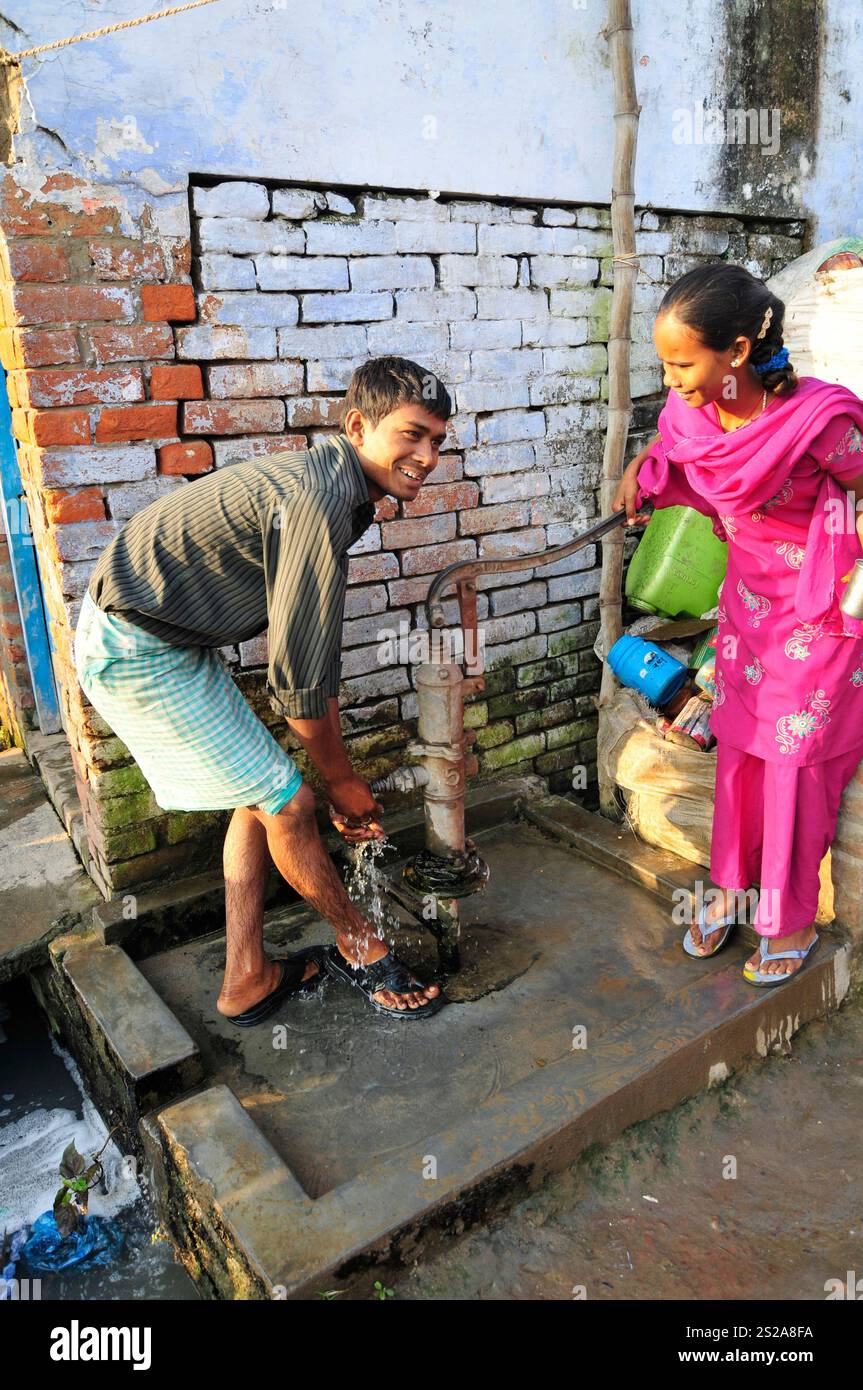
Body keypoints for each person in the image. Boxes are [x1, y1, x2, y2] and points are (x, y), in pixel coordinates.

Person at [74, 356, 449, 1023]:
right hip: (138, 648)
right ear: (358, 425)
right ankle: (360, 946)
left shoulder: (336, 484)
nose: (427, 455)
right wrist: (343, 783)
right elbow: (303, 681)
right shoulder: (321, 498)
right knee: (289, 803)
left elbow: (305, 664)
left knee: (258, 796)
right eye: (413, 434)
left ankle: (247, 978)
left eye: (437, 442)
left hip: (160, 635)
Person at [612, 263, 863, 986]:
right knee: (741, 754)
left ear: (738, 353)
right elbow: (680, 463)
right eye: (664, 363)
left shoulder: (821, 423)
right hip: (746, 610)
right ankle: (728, 889)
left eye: (683, 363)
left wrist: (836, 557)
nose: (672, 380)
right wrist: (643, 462)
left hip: (817, 615)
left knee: (791, 764)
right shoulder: (689, 419)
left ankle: (785, 921)